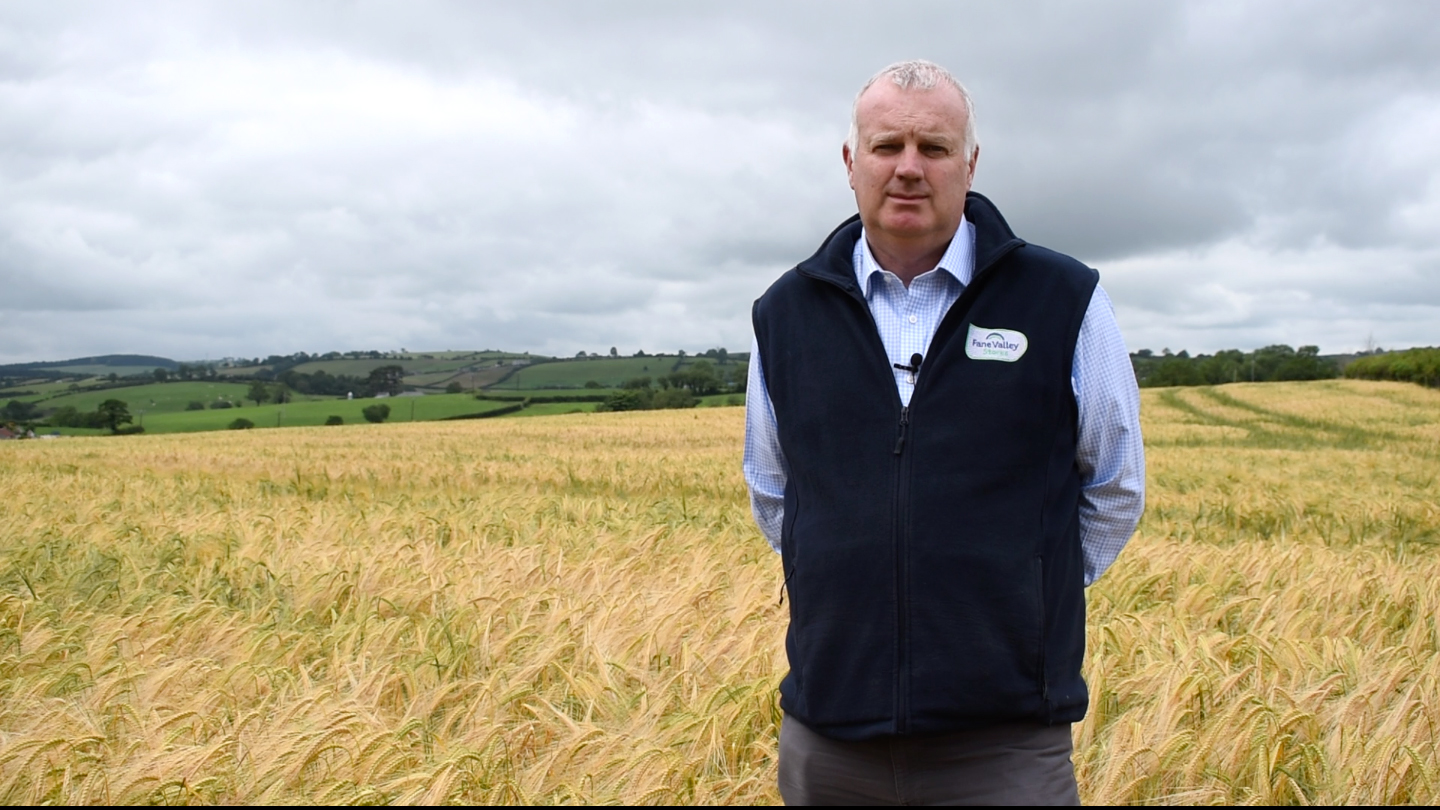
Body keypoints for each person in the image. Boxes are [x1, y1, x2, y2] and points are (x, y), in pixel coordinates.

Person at [743, 60, 1145, 805]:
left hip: (1005, 741)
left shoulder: (1064, 299)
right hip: (830, 737)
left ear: (970, 163)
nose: (907, 168)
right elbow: (774, 491)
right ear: (850, 162)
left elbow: (1115, 483)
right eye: (887, 145)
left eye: (933, 148)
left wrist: (1021, 586)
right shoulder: (785, 314)